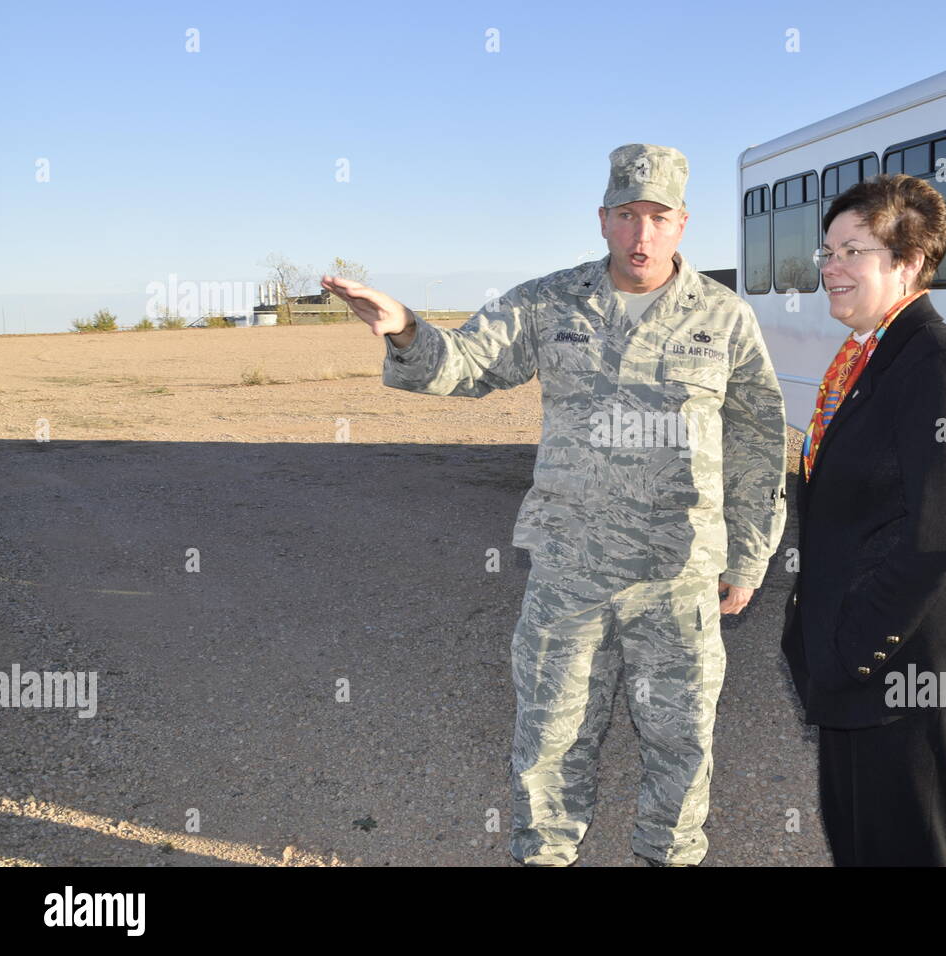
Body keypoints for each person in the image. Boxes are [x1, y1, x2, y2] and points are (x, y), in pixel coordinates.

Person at [321, 144, 787, 867]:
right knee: (550, 739)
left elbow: (756, 440)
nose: (641, 234)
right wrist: (406, 328)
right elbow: (469, 364)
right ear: (602, 219)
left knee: (682, 741)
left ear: (683, 224)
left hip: (679, 574)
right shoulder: (549, 301)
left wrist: (750, 552)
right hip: (572, 570)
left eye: (658, 217)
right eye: (627, 215)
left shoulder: (725, 319)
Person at [780, 174, 946, 866]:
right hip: (852, 669)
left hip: (901, 673)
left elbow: (934, 542)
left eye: (853, 252)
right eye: (828, 252)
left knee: (902, 849)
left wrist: (851, 651)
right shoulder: (864, 356)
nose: (831, 270)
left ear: (906, 264)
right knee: (858, 844)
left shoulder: (939, 367)